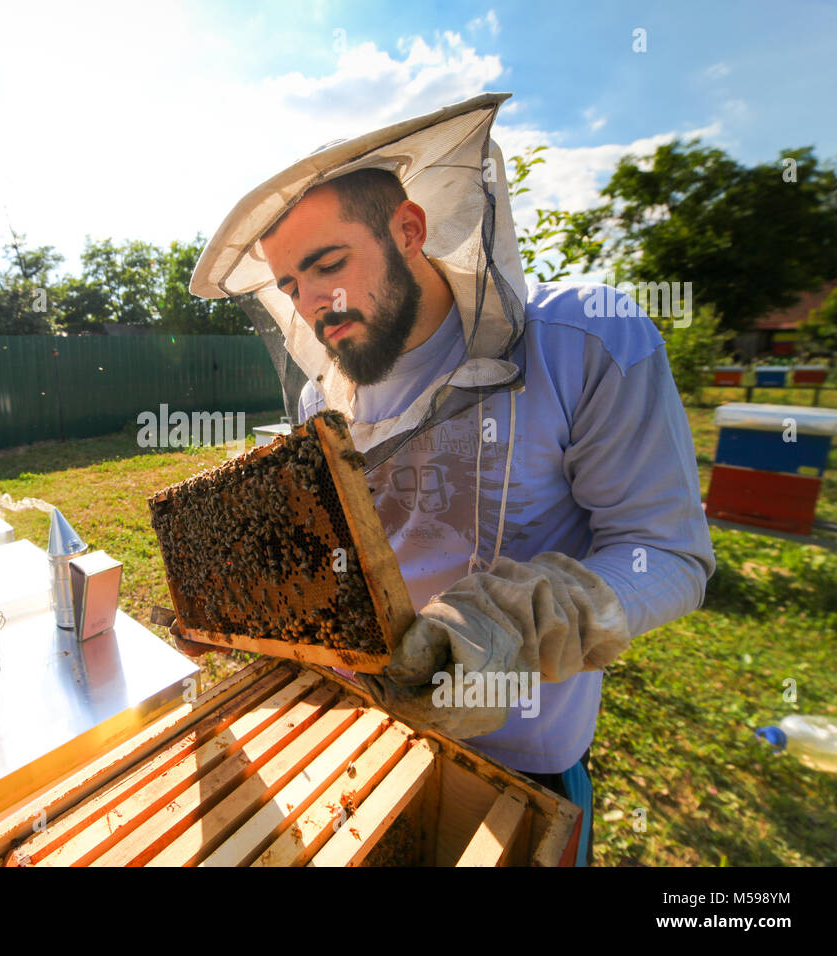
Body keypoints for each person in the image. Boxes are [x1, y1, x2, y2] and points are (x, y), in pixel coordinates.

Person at [175, 94, 716, 866]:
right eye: (292, 286)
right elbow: (326, 565)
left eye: (329, 265)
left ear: (410, 231)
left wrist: (526, 623)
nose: (314, 307)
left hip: (522, 767)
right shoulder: (318, 399)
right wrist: (233, 591)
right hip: (352, 735)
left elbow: (667, 554)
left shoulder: (580, 341)